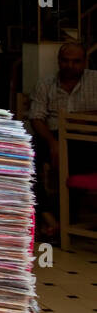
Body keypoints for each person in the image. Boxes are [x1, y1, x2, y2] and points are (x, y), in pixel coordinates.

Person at [29, 41, 97, 235]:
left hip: (87, 140)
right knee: (26, 160)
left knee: (75, 163)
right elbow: (36, 117)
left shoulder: (95, 80)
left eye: (76, 61)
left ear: (84, 62)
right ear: (59, 61)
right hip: (51, 136)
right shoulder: (45, 84)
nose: (70, 66)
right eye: (66, 61)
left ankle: (62, 219)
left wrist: (77, 121)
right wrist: (53, 143)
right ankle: (46, 214)